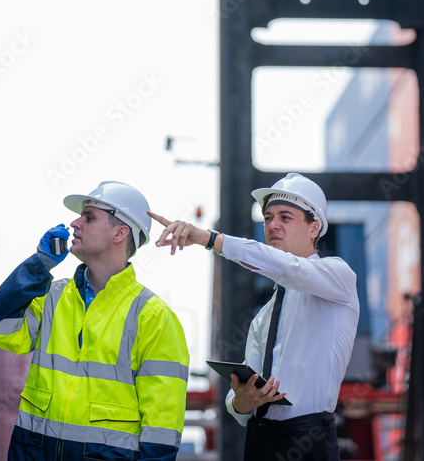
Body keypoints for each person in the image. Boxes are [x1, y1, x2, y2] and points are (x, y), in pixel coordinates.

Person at [149, 173, 359, 461]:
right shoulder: (264, 316)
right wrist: (242, 403)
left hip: (310, 440)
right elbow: (237, 400)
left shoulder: (339, 277)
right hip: (260, 440)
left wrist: (209, 239)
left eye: (285, 217)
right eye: (268, 217)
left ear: (315, 227)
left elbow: (290, 269)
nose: (273, 225)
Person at [0, 181, 190, 461]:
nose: (75, 223)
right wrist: (38, 266)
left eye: (88, 217)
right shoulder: (51, 296)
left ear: (120, 232)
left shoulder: (153, 318)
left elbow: (161, 433)